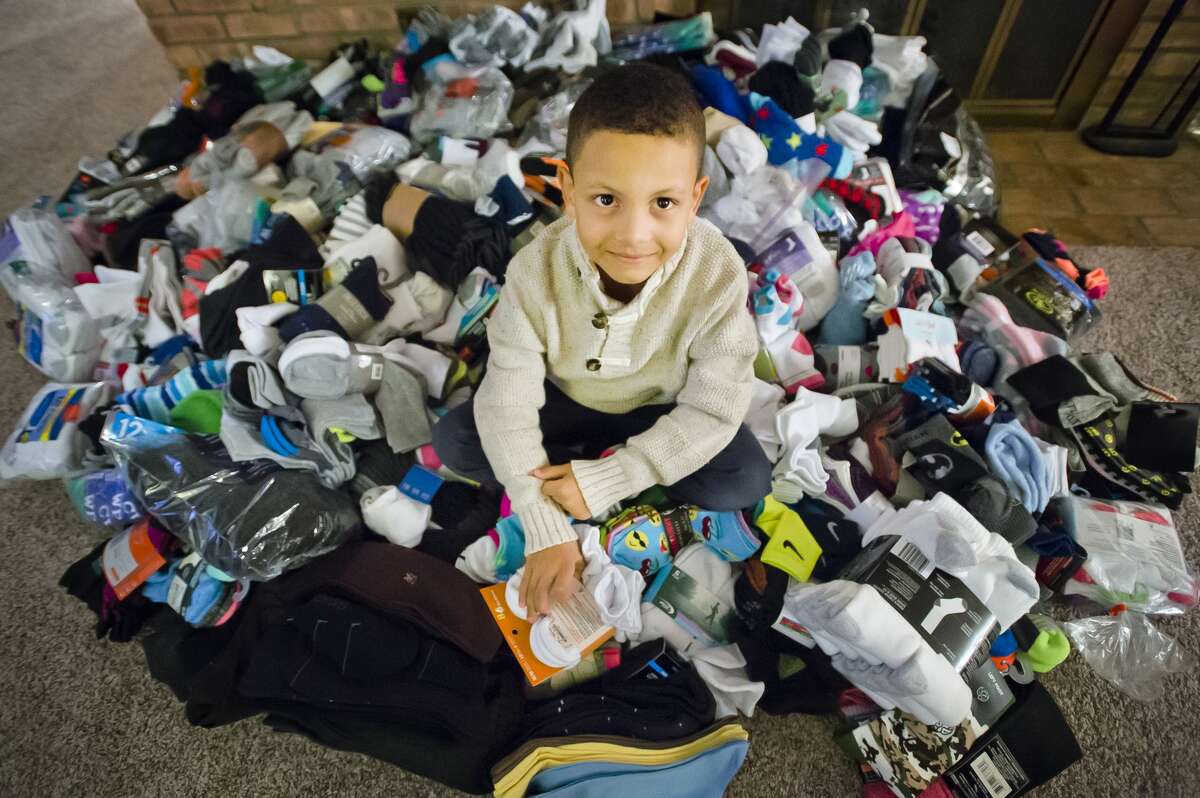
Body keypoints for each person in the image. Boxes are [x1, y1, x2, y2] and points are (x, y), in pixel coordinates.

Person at [430, 63, 770, 616]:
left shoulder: (718, 271)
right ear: (566, 188)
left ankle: (574, 472)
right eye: (606, 200)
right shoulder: (533, 270)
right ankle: (559, 478)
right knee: (459, 439)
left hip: (660, 408)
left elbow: (714, 407)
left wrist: (619, 475)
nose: (634, 236)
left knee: (744, 478)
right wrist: (544, 525)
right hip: (564, 400)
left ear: (696, 196)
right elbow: (509, 397)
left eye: (664, 203)